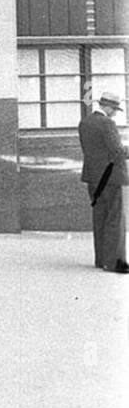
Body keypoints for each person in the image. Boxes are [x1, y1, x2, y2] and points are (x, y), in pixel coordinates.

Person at [77, 91, 129, 273]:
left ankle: (101, 260)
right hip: (111, 178)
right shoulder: (108, 124)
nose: (115, 113)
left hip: (93, 178)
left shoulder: (85, 123)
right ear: (107, 107)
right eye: (114, 109)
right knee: (115, 219)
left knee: (100, 218)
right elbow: (117, 152)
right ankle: (115, 262)